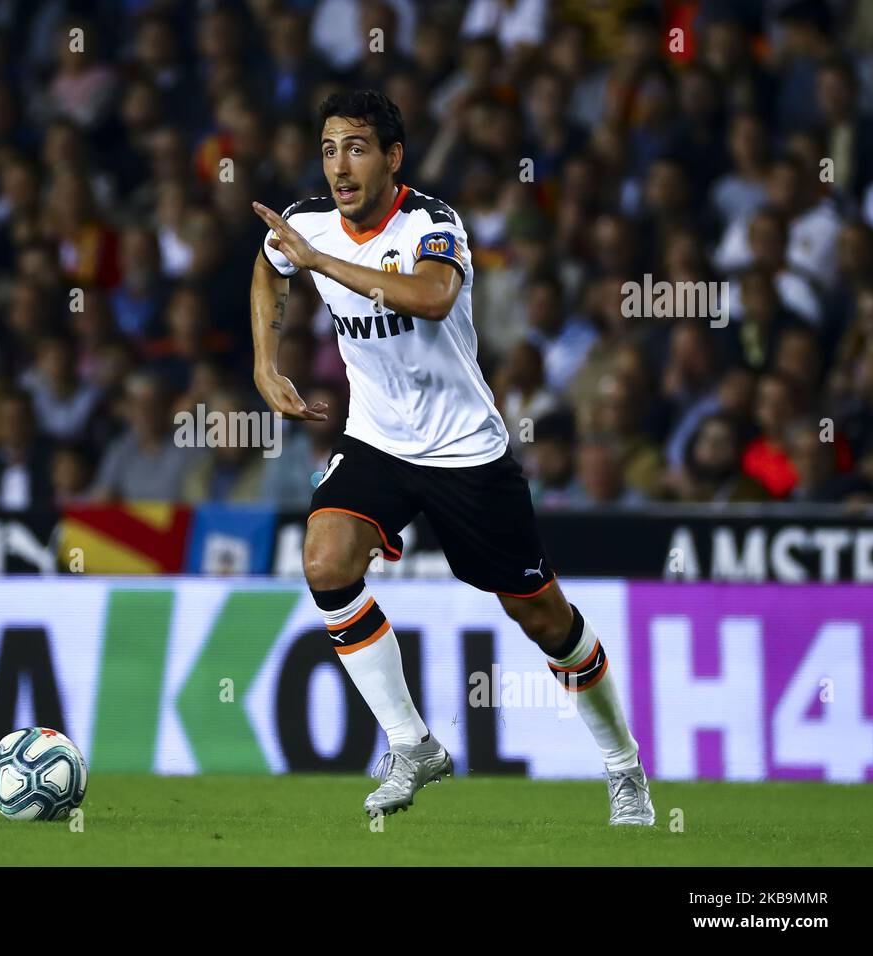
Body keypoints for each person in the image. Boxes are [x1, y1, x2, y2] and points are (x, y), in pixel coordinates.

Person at [250, 90, 652, 825]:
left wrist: (323, 263)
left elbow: (433, 298)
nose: (340, 166)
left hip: (466, 452)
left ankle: (623, 765)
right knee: (325, 561)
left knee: (543, 617)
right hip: (377, 441)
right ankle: (413, 744)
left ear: (393, 157)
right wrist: (264, 363)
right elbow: (270, 265)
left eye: (357, 148)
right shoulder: (307, 225)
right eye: (329, 150)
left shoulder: (433, 224)